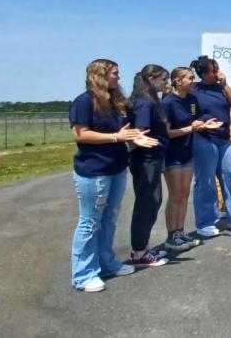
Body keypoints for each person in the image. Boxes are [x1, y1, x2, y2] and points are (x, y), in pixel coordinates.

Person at [68, 59, 158, 293]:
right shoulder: (84, 102)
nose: (119, 77)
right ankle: (84, 274)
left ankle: (106, 264)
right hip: (94, 171)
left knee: (109, 219)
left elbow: (126, 131)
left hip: (117, 168)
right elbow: (81, 134)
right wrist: (116, 138)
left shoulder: (116, 102)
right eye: (114, 73)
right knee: (90, 222)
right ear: (100, 75)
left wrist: (134, 137)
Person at [160, 67, 222, 250]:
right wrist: (190, 129)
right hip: (172, 153)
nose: (193, 80)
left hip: (187, 151)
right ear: (178, 81)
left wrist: (204, 124)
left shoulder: (192, 99)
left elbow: (196, 120)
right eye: (189, 78)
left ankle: (180, 231)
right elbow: (166, 133)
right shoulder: (168, 102)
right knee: (175, 194)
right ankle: (172, 236)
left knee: (184, 193)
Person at [190, 55, 231, 237]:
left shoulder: (221, 88)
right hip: (204, 138)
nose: (218, 73)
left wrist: (225, 85)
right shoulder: (194, 90)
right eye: (214, 71)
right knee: (206, 181)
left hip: (224, 138)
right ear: (204, 74)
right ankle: (206, 222)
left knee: (230, 175)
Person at [125, 64, 171, 268]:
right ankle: (139, 252)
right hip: (146, 159)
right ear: (151, 79)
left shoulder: (153, 100)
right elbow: (140, 131)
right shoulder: (145, 102)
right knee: (147, 202)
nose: (166, 83)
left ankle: (142, 247)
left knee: (153, 201)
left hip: (153, 156)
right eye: (163, 79)